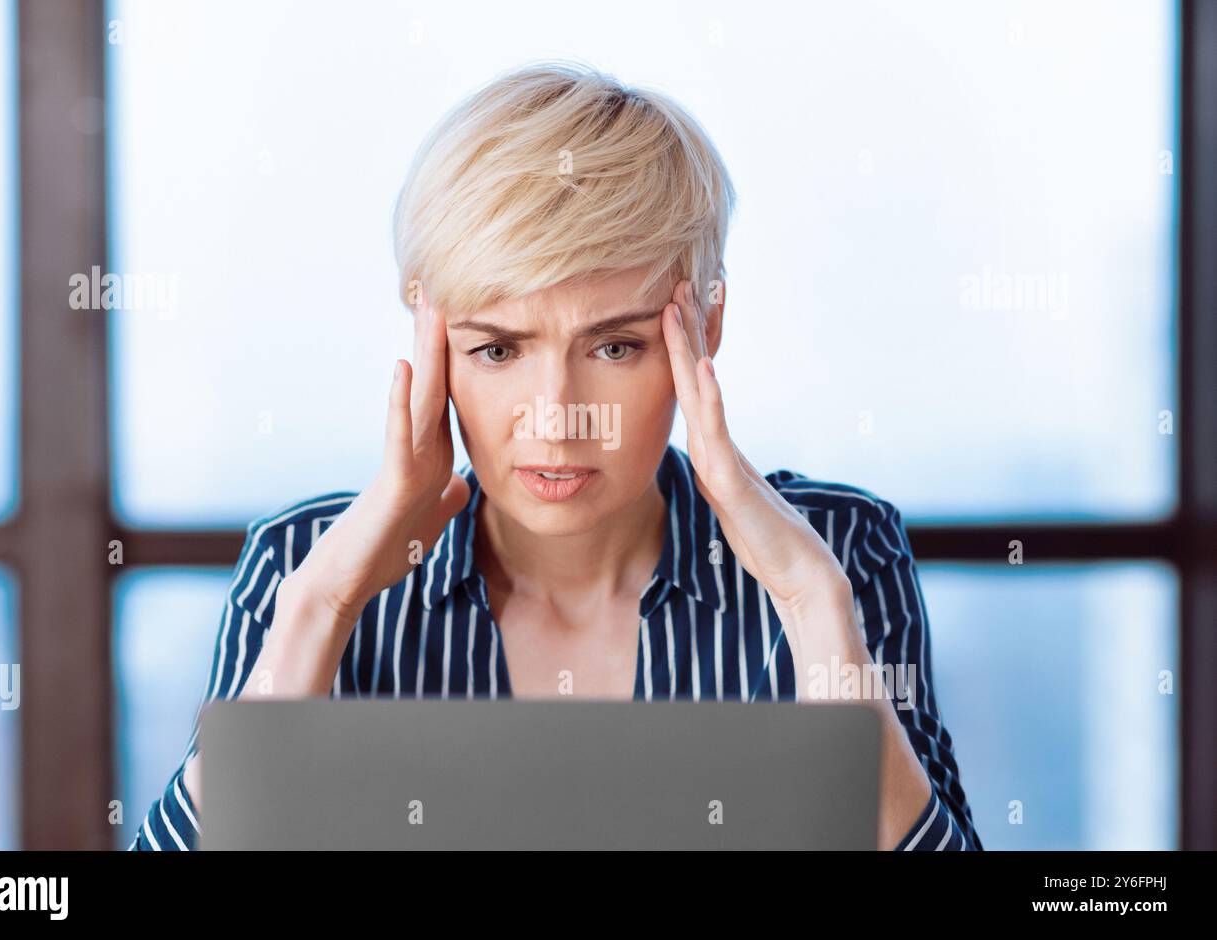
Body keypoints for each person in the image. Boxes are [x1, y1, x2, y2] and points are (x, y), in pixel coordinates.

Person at [130, 61, 980, 851]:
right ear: (432, 340)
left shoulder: (838, 546)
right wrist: (321, 604)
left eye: (614, 348)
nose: (559, 420)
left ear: (706, 328)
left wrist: (811, 600)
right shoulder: (297, 564)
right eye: (498, 351)